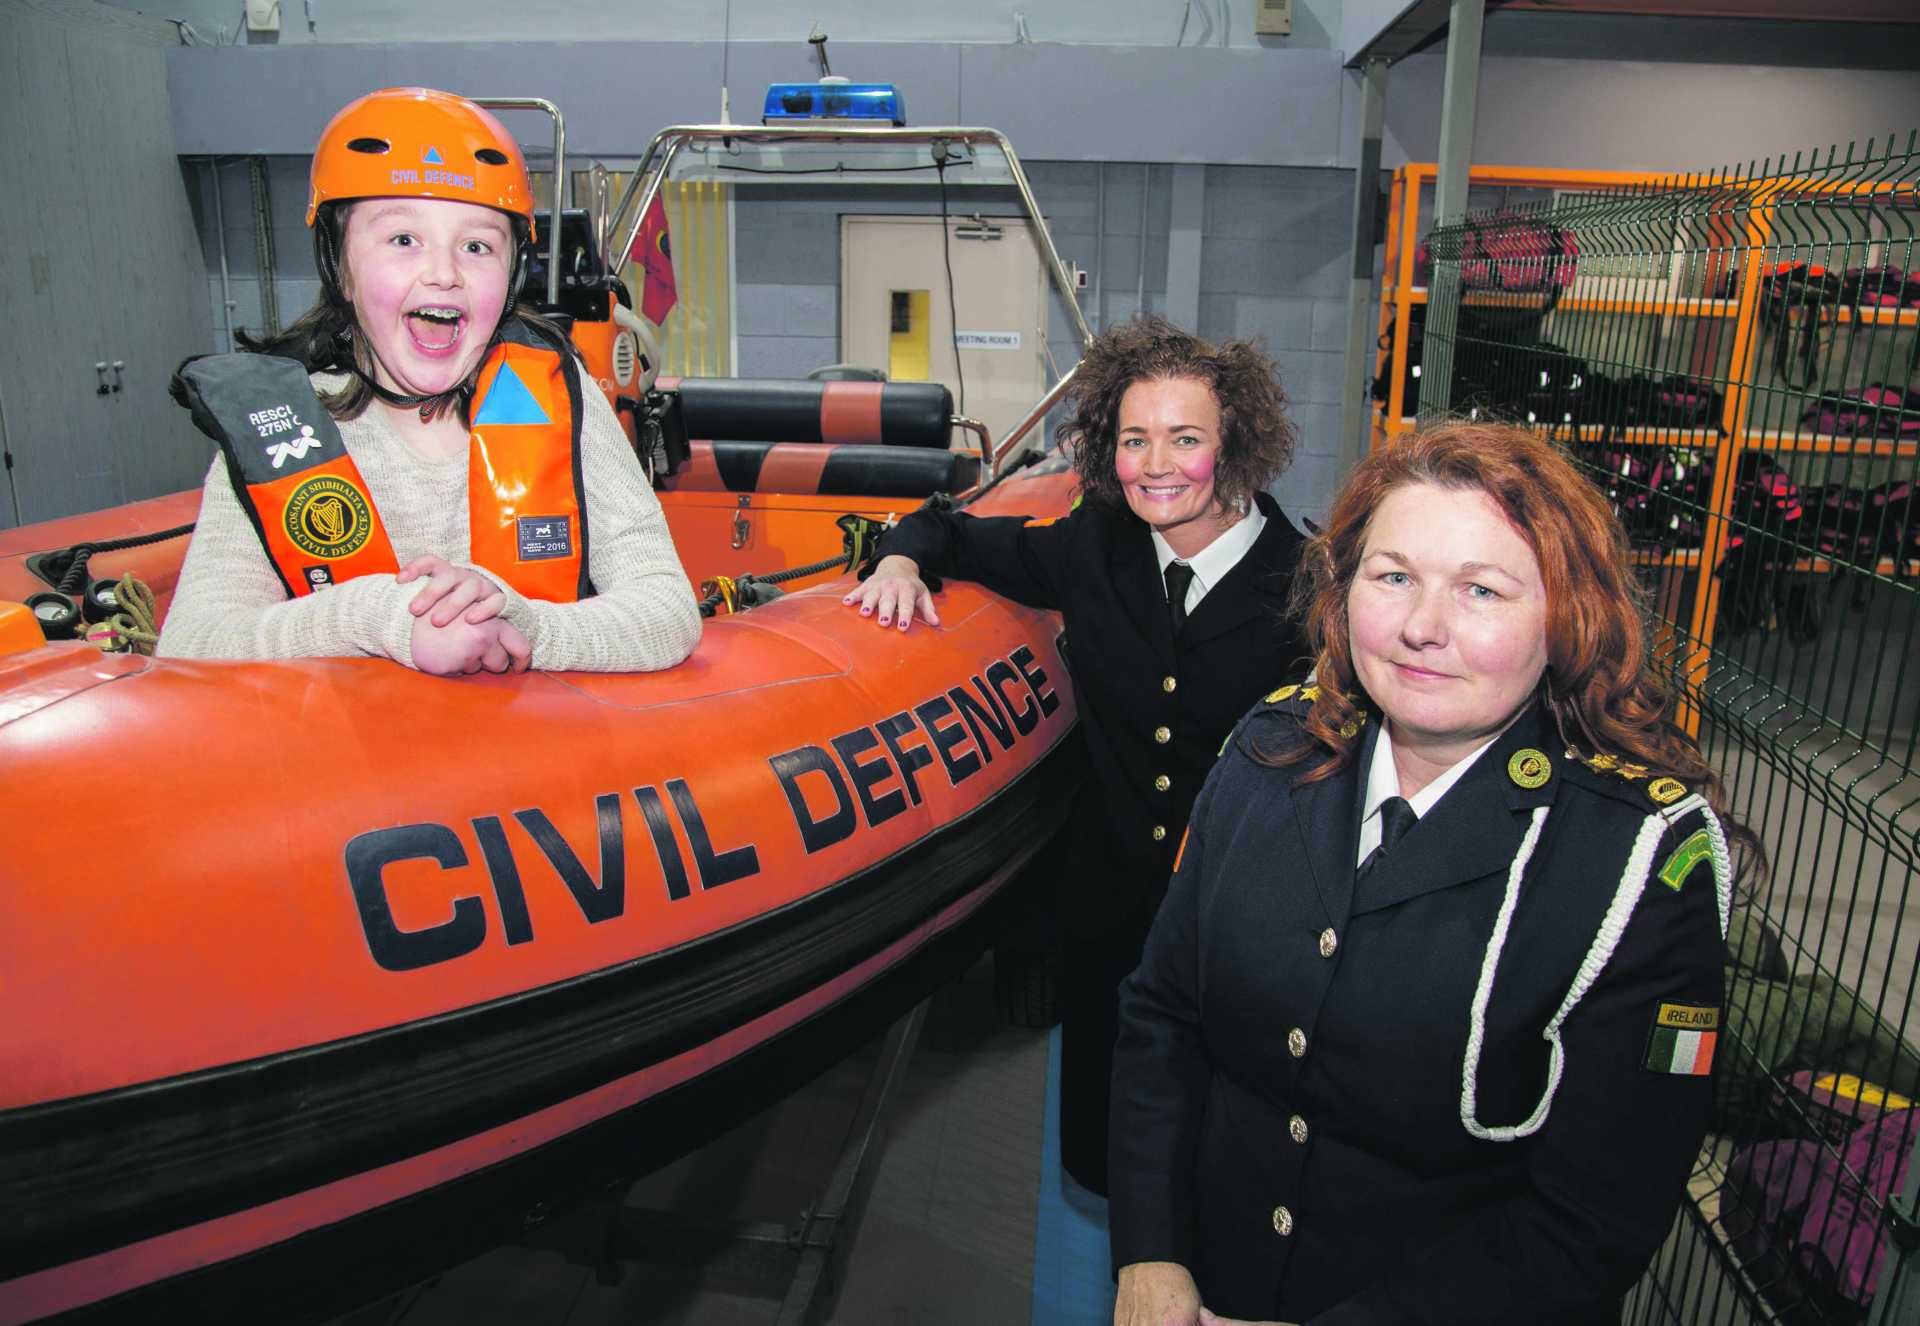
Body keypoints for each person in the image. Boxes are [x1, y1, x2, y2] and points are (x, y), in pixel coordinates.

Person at [1109, 420, 1757, 1326]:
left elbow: (1590, 1218)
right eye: (1393, 577)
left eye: (1481, 591)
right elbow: (1162, 1016)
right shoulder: (1268, 754)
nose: (1422, 627)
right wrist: (1150, 1255)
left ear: (1566, 617)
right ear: (1343, 592)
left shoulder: (1639, 861)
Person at [844, 314, 1313, 1195]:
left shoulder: (1311, 590)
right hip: (1109, 927)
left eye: (1185, 438)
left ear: (1238, 444)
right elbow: (949, 530)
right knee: (1111, 1156)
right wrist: (901, 562)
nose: (1156, 463)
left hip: (1237, 940)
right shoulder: (1094, 546)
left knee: (1222, 1177)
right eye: (1134, 439)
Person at [158, 87, 699, 675]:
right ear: (341, 267)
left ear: (512, 273)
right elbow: (191, 642)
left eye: (477, 246)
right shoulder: (281, 431)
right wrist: (381, 619)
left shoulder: (565, 400)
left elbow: (666, 610)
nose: (443, 273)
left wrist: (525, 625)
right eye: (403, 240)